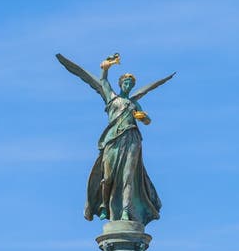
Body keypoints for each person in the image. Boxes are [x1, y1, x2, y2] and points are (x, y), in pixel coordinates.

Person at [56, 52, 175, 225]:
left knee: (129, 177)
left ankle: (126, 211)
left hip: (132, 138)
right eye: (126, 82)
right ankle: (104, 204)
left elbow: (147, 121)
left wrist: (143, 118)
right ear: (120, 84)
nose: (128, 85)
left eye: (131, 83)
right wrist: (106, 68)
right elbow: (103, 82)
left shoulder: (133, 104)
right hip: (113, 140)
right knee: (108, 177)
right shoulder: (112, 98)